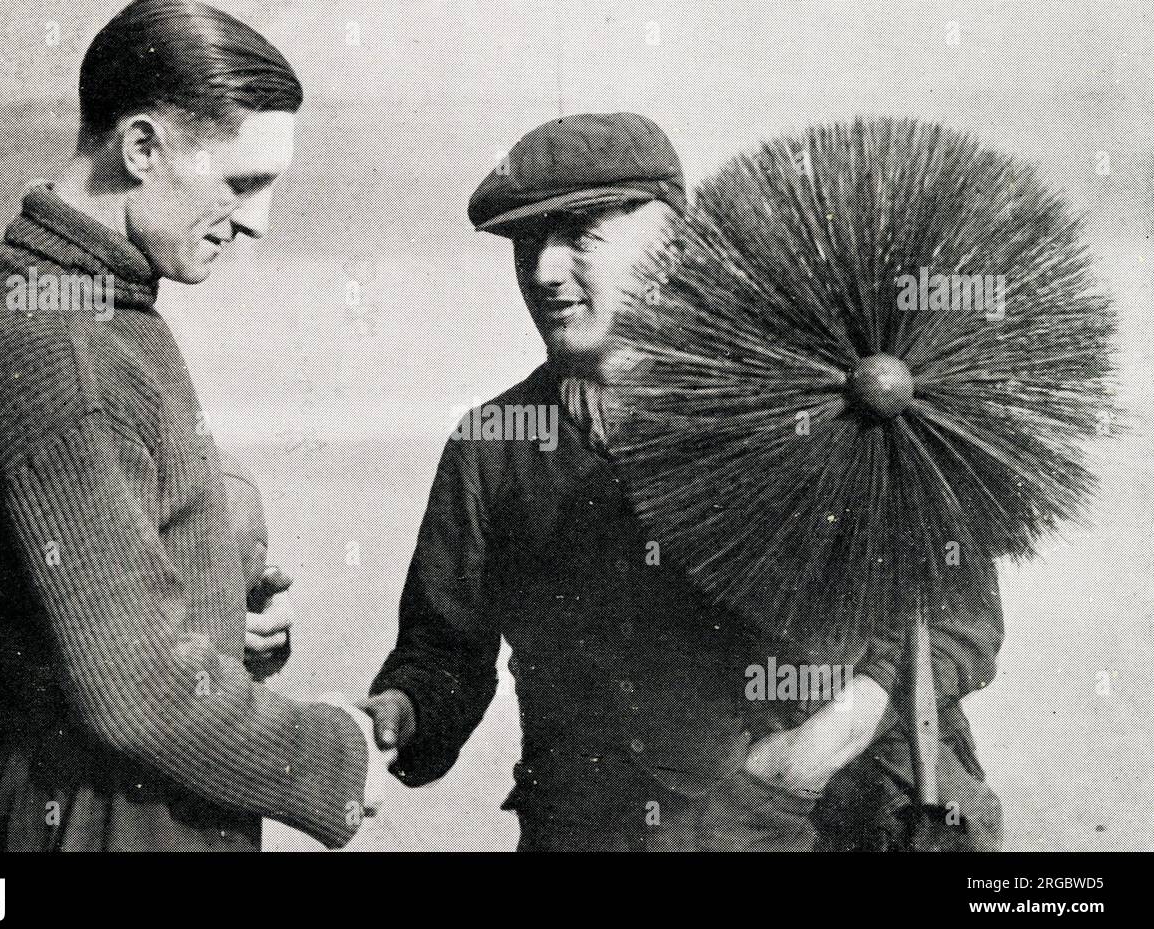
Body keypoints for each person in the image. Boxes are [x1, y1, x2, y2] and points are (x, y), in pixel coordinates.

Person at [362, 112, 1003, 850]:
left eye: (580, 234)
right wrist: (399, 712)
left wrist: (802, 760)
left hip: (828, 823)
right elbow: (445, 653)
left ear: (671, 241)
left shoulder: (818, 399)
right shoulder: (492, 447)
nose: (543, 269)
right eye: (525, 242)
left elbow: (956, 615)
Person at [0, 0, 380, 852]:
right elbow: (138, 690)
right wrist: (332, 753)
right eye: (242, 183)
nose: (258, 222)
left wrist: (206, 611)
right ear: (140, 148)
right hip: (97, 821)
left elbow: (98, 615)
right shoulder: (66, 350)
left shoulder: (73, 299)